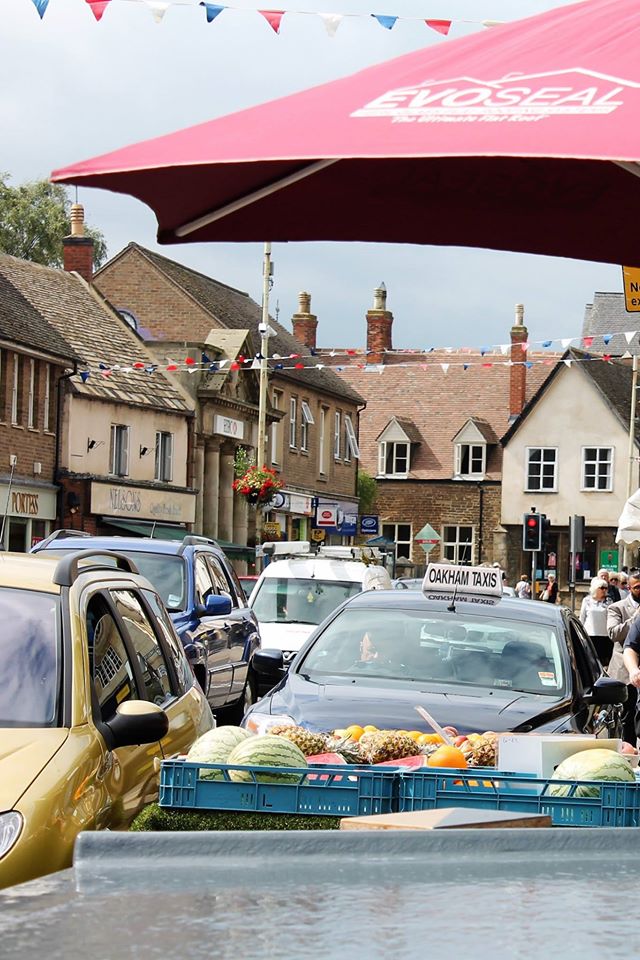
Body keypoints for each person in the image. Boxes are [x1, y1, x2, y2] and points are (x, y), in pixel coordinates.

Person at [607, 570, 640, 745]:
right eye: (637, 588)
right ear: (629, 588)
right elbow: (613, 634)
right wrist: (636, 617)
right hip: (625, 671)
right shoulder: (617, 607)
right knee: (627, 716)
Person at [579, 577, 611, 666]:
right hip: (590, 634)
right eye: (602, 588)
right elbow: (582, 617)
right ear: (595, 589)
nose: (604, 590)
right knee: (590, 660)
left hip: (604, 636)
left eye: (606, 588)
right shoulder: (587, 601)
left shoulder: (609, 601)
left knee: (603, 661)